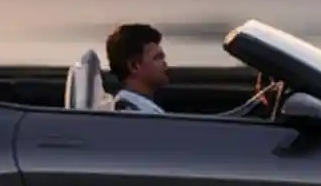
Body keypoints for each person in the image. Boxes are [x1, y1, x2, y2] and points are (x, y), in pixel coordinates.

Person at [104, 23, 281, 116]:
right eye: (158, 58)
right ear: (134, 66)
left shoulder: (139, 108)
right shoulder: (133, 116)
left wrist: (256, 102)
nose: (165, 64)